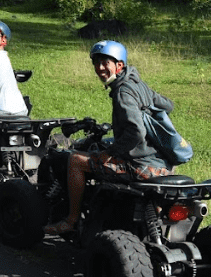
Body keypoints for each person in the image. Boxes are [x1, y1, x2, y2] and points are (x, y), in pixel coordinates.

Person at [44, 40, 175, 235]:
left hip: (140, 166)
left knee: (75, 160)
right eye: (96, 63)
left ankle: (70, 221)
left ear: (119, 65)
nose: (100, 68)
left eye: (105, 63)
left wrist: (111, 152)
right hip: (162, 163)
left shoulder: (123, 92)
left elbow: (136, 132)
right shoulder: (137, 83)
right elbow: (168, 105)